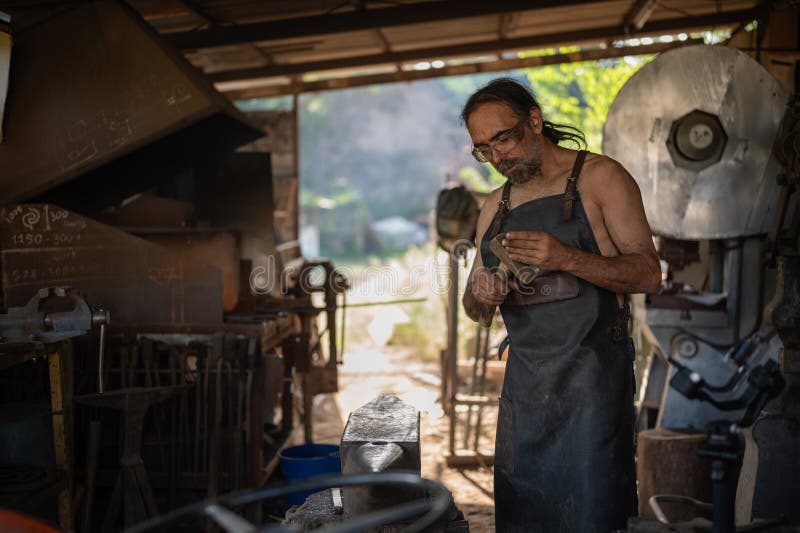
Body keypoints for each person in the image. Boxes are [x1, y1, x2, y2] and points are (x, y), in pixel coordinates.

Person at [460, 78, 661, 532]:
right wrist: (483, 293)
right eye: (484, 150)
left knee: (593, 511)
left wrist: (566, 257)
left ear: (534, 120)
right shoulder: (495, 206)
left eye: (504, 138)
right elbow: (473, 307)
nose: (497, 157)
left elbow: (649, 274)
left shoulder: (600, 178)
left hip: (591, 384)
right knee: (522, 512)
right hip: (524, 389)